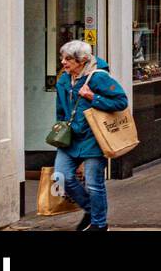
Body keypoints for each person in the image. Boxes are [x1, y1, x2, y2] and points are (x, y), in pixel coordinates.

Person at [53, 40, 128, 231]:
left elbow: (121, 102)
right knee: (61, 176)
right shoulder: (63, 79)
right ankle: (91, 210)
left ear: (83, 60)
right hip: (70, 138)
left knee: (94, 184)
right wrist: (59, 129)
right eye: (62, 58)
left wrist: (93, 98)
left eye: (68, 58)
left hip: (94, 138)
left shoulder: (98, 77)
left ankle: (99, 224)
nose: (63, 62)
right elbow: (61, 110)